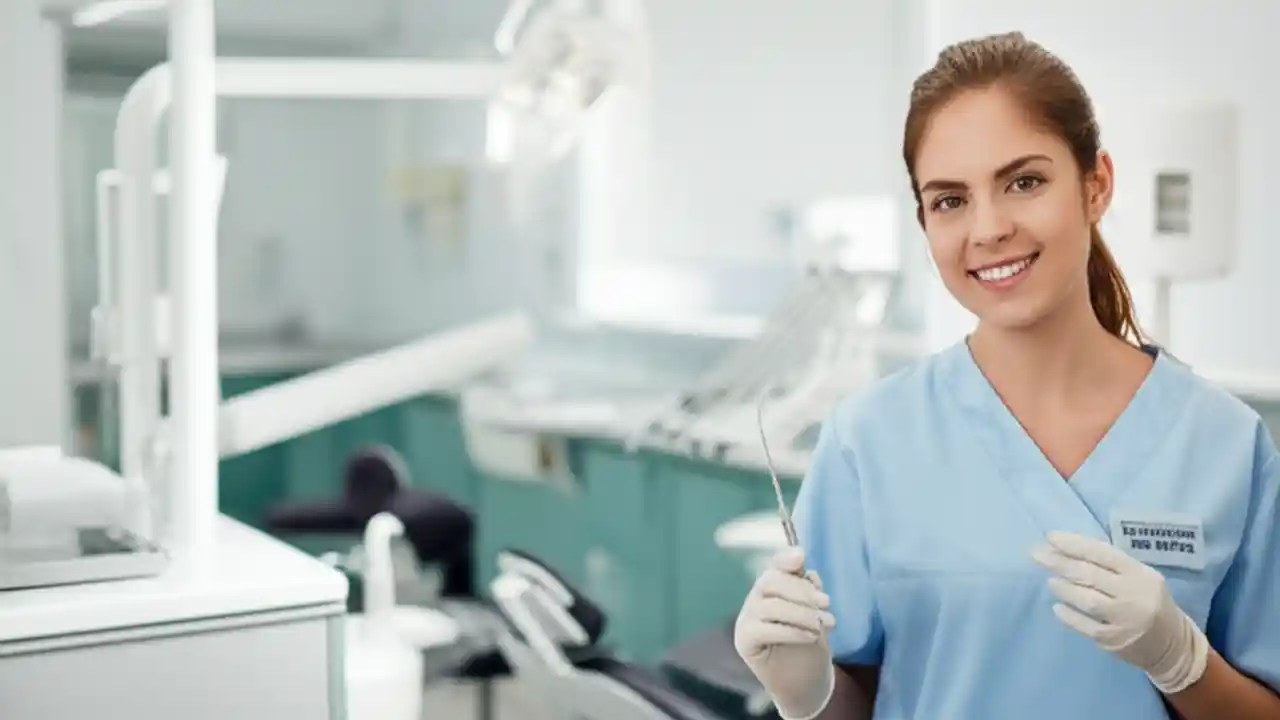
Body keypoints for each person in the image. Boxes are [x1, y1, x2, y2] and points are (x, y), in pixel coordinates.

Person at [733, 32, 1280, 719]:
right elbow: (853, 699)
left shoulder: (1224, 444)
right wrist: (805, 696)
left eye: (1024, 182)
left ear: (1096, 185)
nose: (988, 228)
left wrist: (1183, 662)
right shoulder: (868, 441)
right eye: (950, 200)